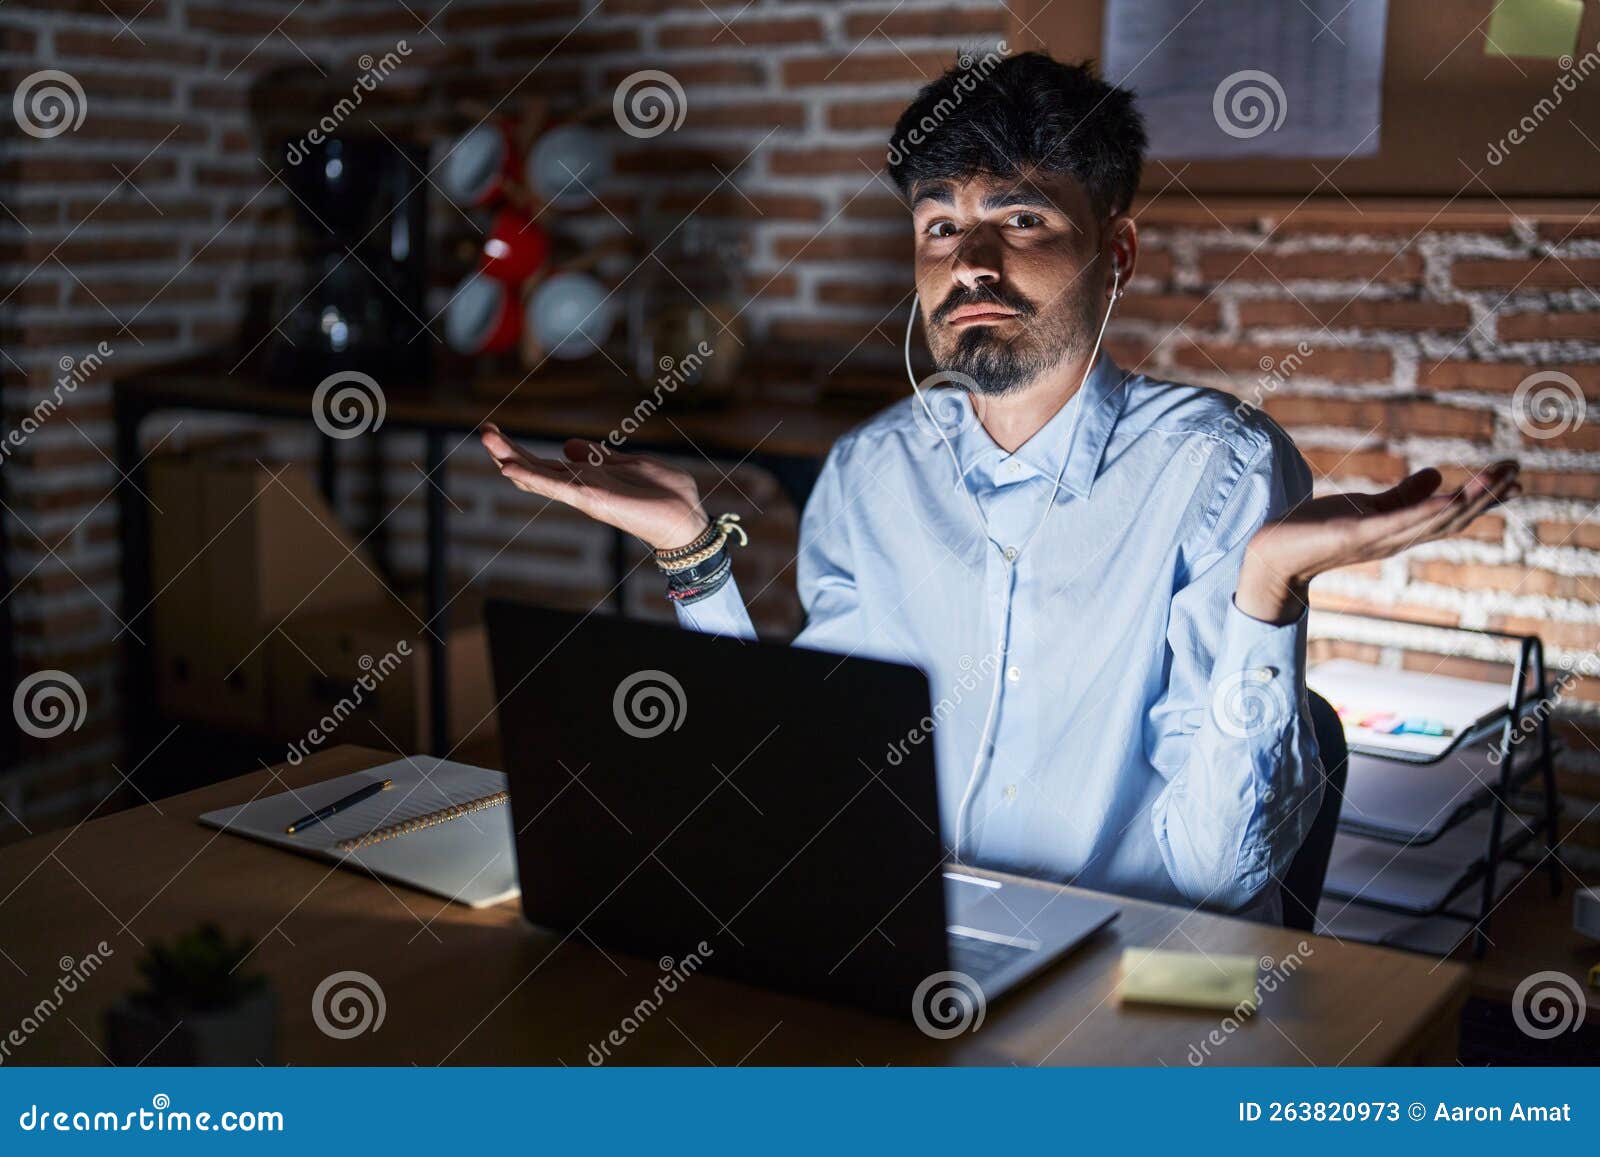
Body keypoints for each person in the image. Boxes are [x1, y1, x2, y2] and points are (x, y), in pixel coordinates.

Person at [480, 52, 1517, 920]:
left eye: (1018, 220)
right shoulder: (870, 472)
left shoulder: (1223, 467)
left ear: (1114, 253)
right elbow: (816, 800)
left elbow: (1218, 872)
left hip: (1125, 1001)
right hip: (903, 964)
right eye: (939, 226)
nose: (969, 261)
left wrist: (1266, 586)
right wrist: (694, 558)